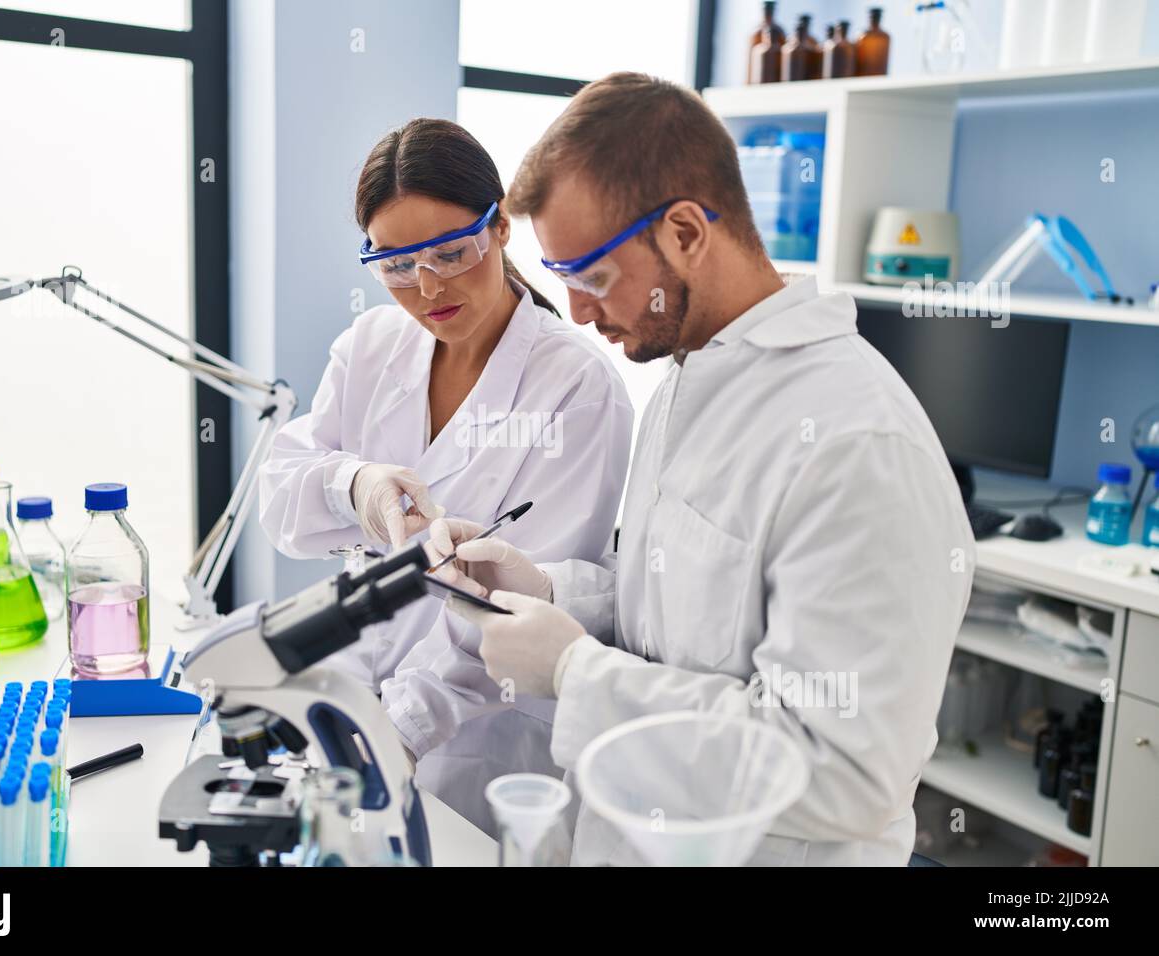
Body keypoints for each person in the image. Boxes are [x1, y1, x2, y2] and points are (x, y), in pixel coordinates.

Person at [429, 73, 975, 864]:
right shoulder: (688, 376)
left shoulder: (858, 445)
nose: (576, 313)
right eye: (560, 281)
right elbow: (680, 617)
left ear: (686, 232)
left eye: (592, 276)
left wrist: (576, 674)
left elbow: (845, 772)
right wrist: (547, 593)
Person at [257, 118, 633, 832]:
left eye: (452, 252)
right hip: (355, 695)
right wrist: (356, 486)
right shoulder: (369, 347)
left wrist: (396, 727)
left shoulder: (575, 387)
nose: (427, 287)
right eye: (396, 264)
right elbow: (284, 499)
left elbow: (524, 609)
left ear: (500, 230)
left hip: (485, 746)